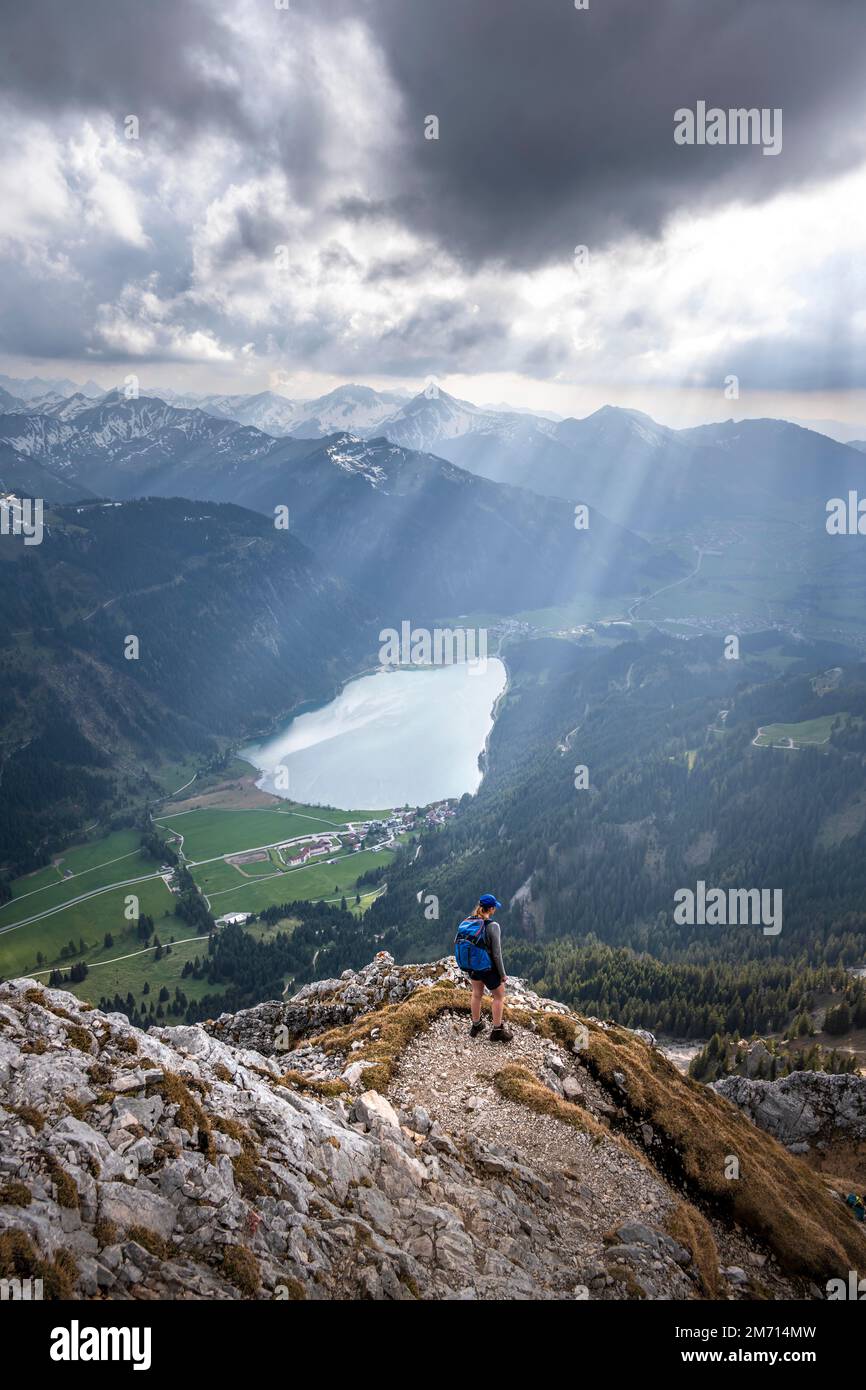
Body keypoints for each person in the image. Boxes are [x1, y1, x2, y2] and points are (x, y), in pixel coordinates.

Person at [457, 893, 512, 1042]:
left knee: (476, 994)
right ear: (492, 908)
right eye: (495, 908)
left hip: (472, 966)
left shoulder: (467, 922)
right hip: (487, 968)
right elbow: (496, 954)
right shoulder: (493, 926)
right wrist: (502, 974)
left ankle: (476, 1025)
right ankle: (497, 1031)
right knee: (499, 996)